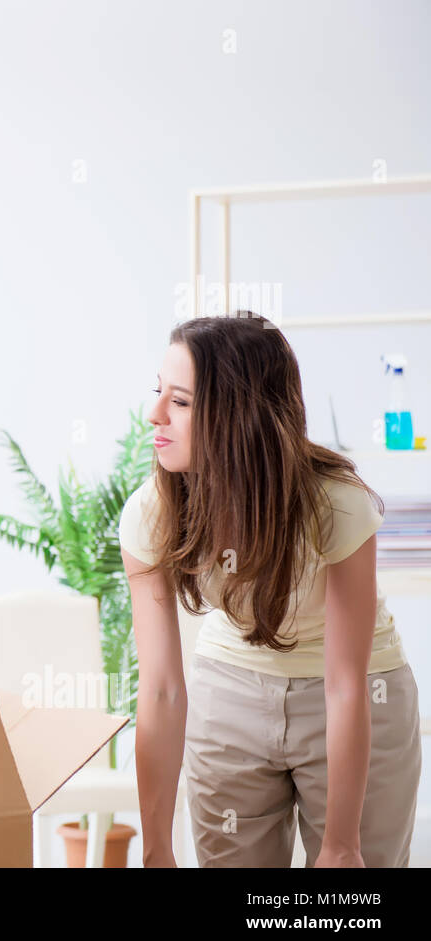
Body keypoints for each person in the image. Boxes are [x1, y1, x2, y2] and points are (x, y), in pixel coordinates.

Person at [120, 311, 420, 868]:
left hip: (358, 697)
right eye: (159, 393)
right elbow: (160, 690)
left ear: (240, 414)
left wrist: (342, 843)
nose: (153, 414)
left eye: (181, 402)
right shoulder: (151, 514)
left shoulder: (336, 505)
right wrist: (156, 848)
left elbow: (344, 683)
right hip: (230, 690)